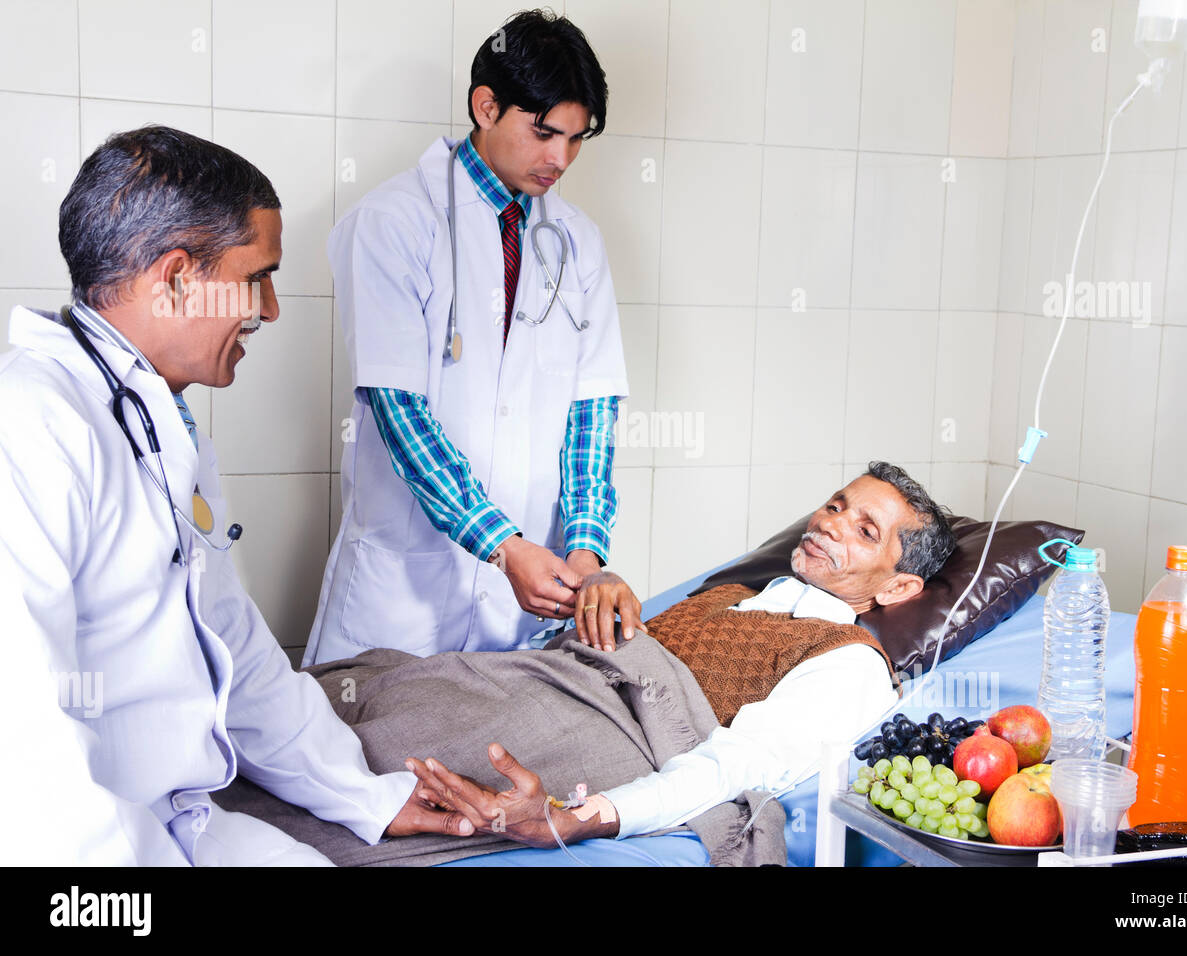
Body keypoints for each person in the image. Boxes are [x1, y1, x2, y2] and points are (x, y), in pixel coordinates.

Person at [0, 126, 477, 866]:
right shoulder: (30, 423)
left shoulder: (162, 428)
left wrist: (365, 795)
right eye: (257, 278)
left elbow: (233, 647)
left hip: (178, 820)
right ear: (179, 279)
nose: (271, 310)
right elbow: (21, 736)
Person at [220, 463, 956, 864]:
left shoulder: (850, 665)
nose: (831, 525)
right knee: (341, 694)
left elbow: (738, 767)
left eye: (865, 531)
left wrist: (582, 818)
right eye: (835, 505)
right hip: (539, 676)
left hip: (609, 733)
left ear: (897, 587)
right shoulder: (732, 593)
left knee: (373, 754)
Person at [305, 9, 637, 666]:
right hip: (404, 594)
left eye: (576, 139)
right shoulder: (393, 223)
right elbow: (400, 415)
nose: (561, 159)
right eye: (544, 133)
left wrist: (586, 554)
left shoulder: (580, 243)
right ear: (486, 106)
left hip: (530, 602)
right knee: (373, 760)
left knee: (500, 763)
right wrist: (503, 546)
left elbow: (592, 412)